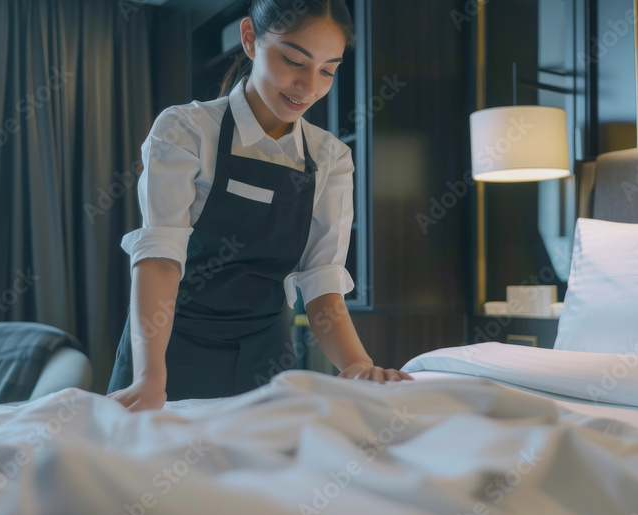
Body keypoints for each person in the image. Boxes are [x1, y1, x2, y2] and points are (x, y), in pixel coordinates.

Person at [107, 0, 412, 412]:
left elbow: (322, 282)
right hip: (166, 348)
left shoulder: (330, 157)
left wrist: (358, 365)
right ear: (250, 39)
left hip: (265, 356)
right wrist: (149, 378)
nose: (308, 87)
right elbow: (159, 259)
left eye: (327, 71)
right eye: (293, 61)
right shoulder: (186, 130)